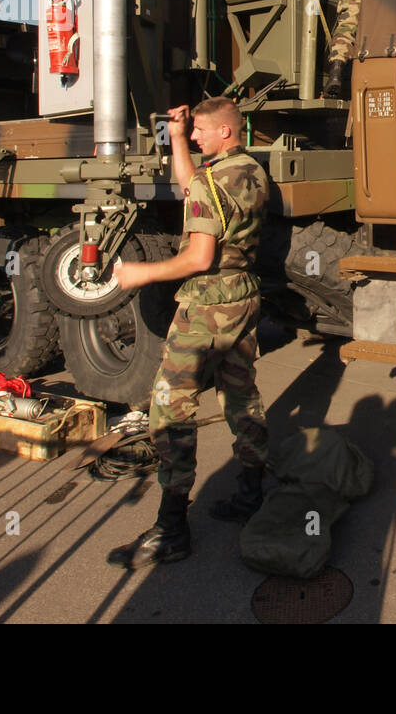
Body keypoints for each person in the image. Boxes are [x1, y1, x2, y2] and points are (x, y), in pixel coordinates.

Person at [107, 98, 270, 569]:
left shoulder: (210, 180)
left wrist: (141, 274)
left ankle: (172, 528)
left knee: (170, 409)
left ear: (224, 132)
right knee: (241, 395)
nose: (195, 137)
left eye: (199, 130)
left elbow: (198, 258)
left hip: (205, 308)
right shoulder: (249, 172)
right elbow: (193, 188)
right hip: (243, 297)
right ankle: (251, 496)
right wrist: (177, 135)